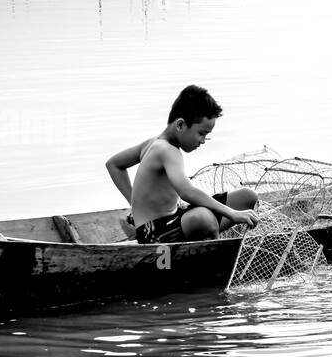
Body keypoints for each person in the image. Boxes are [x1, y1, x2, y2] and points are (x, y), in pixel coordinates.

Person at [105, 85, 259, 244]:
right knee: (203, 218)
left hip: (175, 218)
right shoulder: (168, 151)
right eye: (201, 133)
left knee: (247, 197)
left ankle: (208, 237)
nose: (203, 141)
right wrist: (231, 213)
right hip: (153, 234)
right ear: (180, 125)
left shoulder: (152, 143)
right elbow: (187, 191)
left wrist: (135, 207)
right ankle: (211, 255)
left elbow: (114, 164)